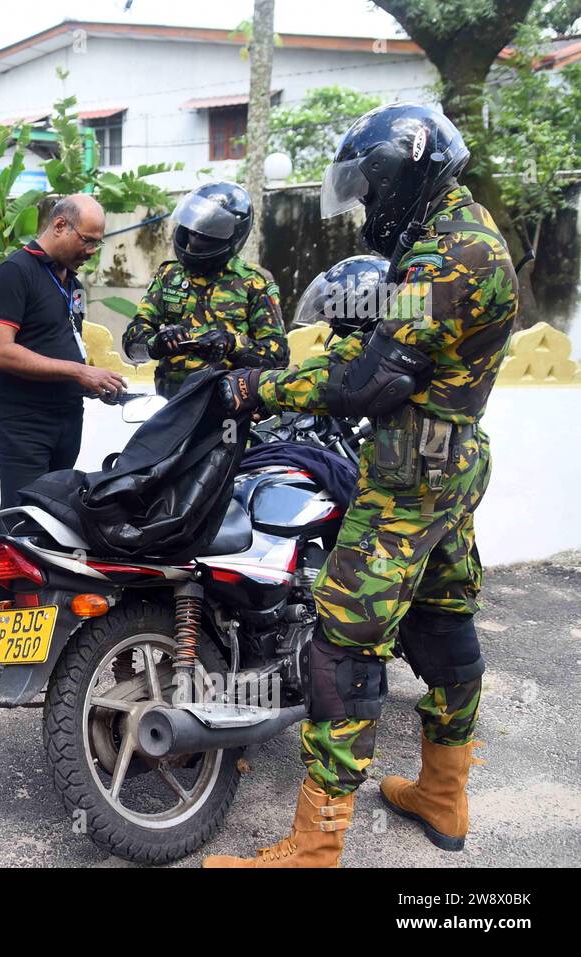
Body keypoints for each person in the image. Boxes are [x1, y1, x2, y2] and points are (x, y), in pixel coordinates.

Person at [208, 103, 515, 867]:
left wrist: (261, 389)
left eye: (372, 191)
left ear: (404, 171)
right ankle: (443, 793)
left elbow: (368, 380)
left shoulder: (451, 254)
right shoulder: (460, 236)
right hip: (449, 461)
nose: (369, 209)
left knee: (341, 645)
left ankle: (315, 848)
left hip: (410, 473)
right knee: (443, 620)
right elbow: (390, 348)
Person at [0, 194, 127, 689]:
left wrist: (89, 384)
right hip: (21, 424)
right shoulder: (15, 272)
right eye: (88, 240)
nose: (91, 251)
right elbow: (1, 352)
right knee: (20, 531)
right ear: (60, 226)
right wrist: (78, 370)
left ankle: (34, 632)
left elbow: (62, 344)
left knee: (53, 531)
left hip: (64, 418)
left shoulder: (68, 282)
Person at [122, 182, 288, 398]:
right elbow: (132, 343)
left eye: (208, 233)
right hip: (171, 404)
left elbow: (278, 354)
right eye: (194, 230)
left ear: (234, 235)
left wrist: (231, 343)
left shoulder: (254, 282)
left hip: (229, 405)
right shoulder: (169, 275)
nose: (196, 237)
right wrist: (158, 343)